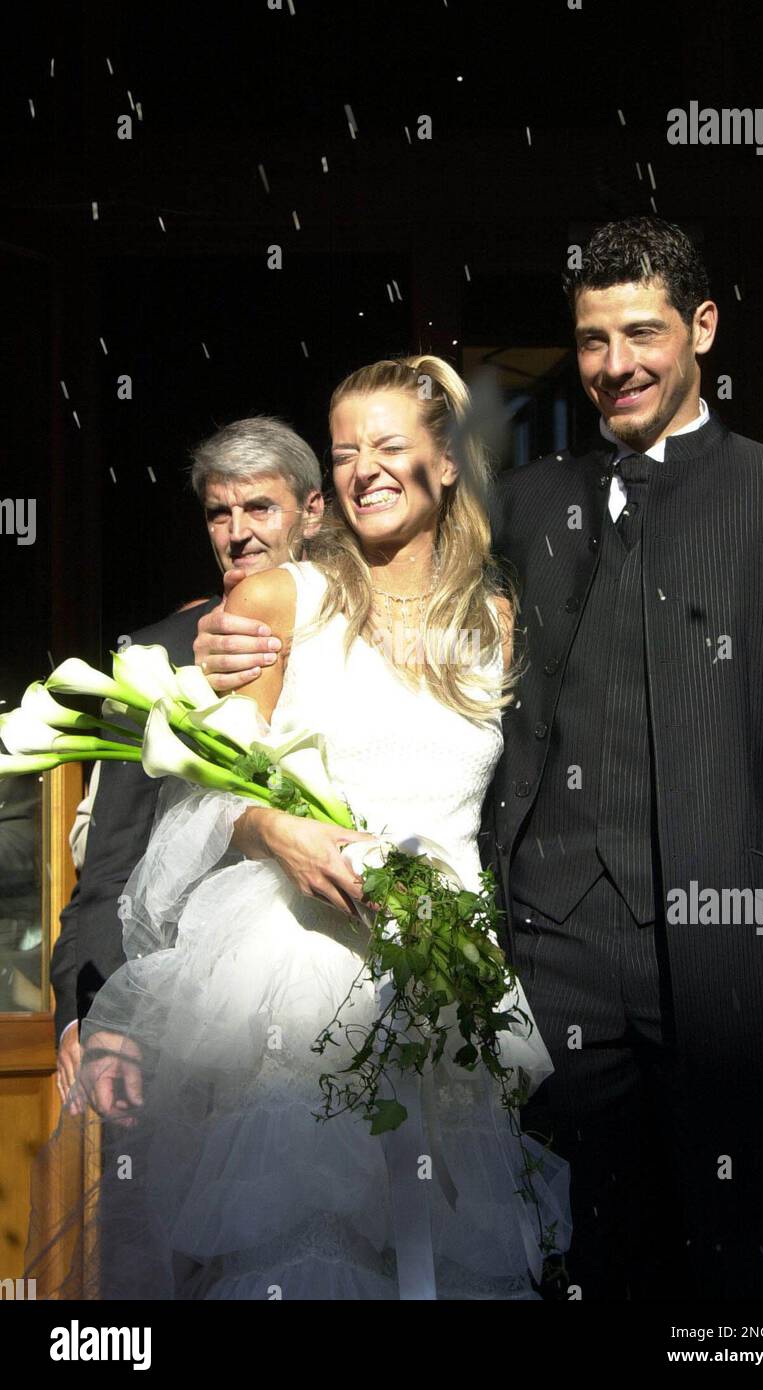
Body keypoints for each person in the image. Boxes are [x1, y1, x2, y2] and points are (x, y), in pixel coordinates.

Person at [28, 356, 571, 1300]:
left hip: (446, 975)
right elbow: (200, 795)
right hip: (297, 973)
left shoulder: (498, 618)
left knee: (446, 1261)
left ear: (446, 461)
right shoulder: (281, 603)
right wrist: (279, 834)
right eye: (346, 449)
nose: (365, 467)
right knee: (303, 1246)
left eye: (390, 445)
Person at [486, 216, 763, 1299]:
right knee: (580, 1260)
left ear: (703, 326)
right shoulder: (527, 503)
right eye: (592, 341)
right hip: (558, 945)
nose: (615, 366)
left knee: (745, 1267)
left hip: (739, 957)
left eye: (640, 333)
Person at [49, 415, 325, 1122]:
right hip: (188, 1022)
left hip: (342, 989)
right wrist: (96, 1018)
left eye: (260, 507)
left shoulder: (364, 636)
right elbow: (110, 865)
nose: (238, 532)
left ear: (313, 512)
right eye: (218, 513)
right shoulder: (153, 657)